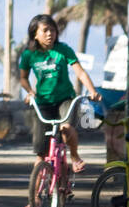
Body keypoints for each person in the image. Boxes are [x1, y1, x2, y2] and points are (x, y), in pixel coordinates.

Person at [18, 13, 99, 172]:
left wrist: (92, 91)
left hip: (65, 100)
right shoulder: (29, 54)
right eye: (45, 30)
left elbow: (80, 73)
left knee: (66, 128)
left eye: (53, 30)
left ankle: (74, 156)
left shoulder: (63, 50)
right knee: (41, 154)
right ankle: (35, 195)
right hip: (42, 103)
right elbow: (23, 78)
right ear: (35, 34)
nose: (50, 34)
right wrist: (29, 92)